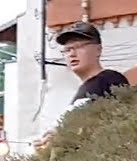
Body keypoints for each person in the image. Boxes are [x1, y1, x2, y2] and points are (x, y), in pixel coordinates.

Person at [33, 22, 130, 151]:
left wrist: (63, 135)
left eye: (79, 46)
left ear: (98, 50)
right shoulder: (79, 95)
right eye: (67, 50)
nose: (72, 54)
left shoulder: (110, 79)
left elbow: (116, 125)